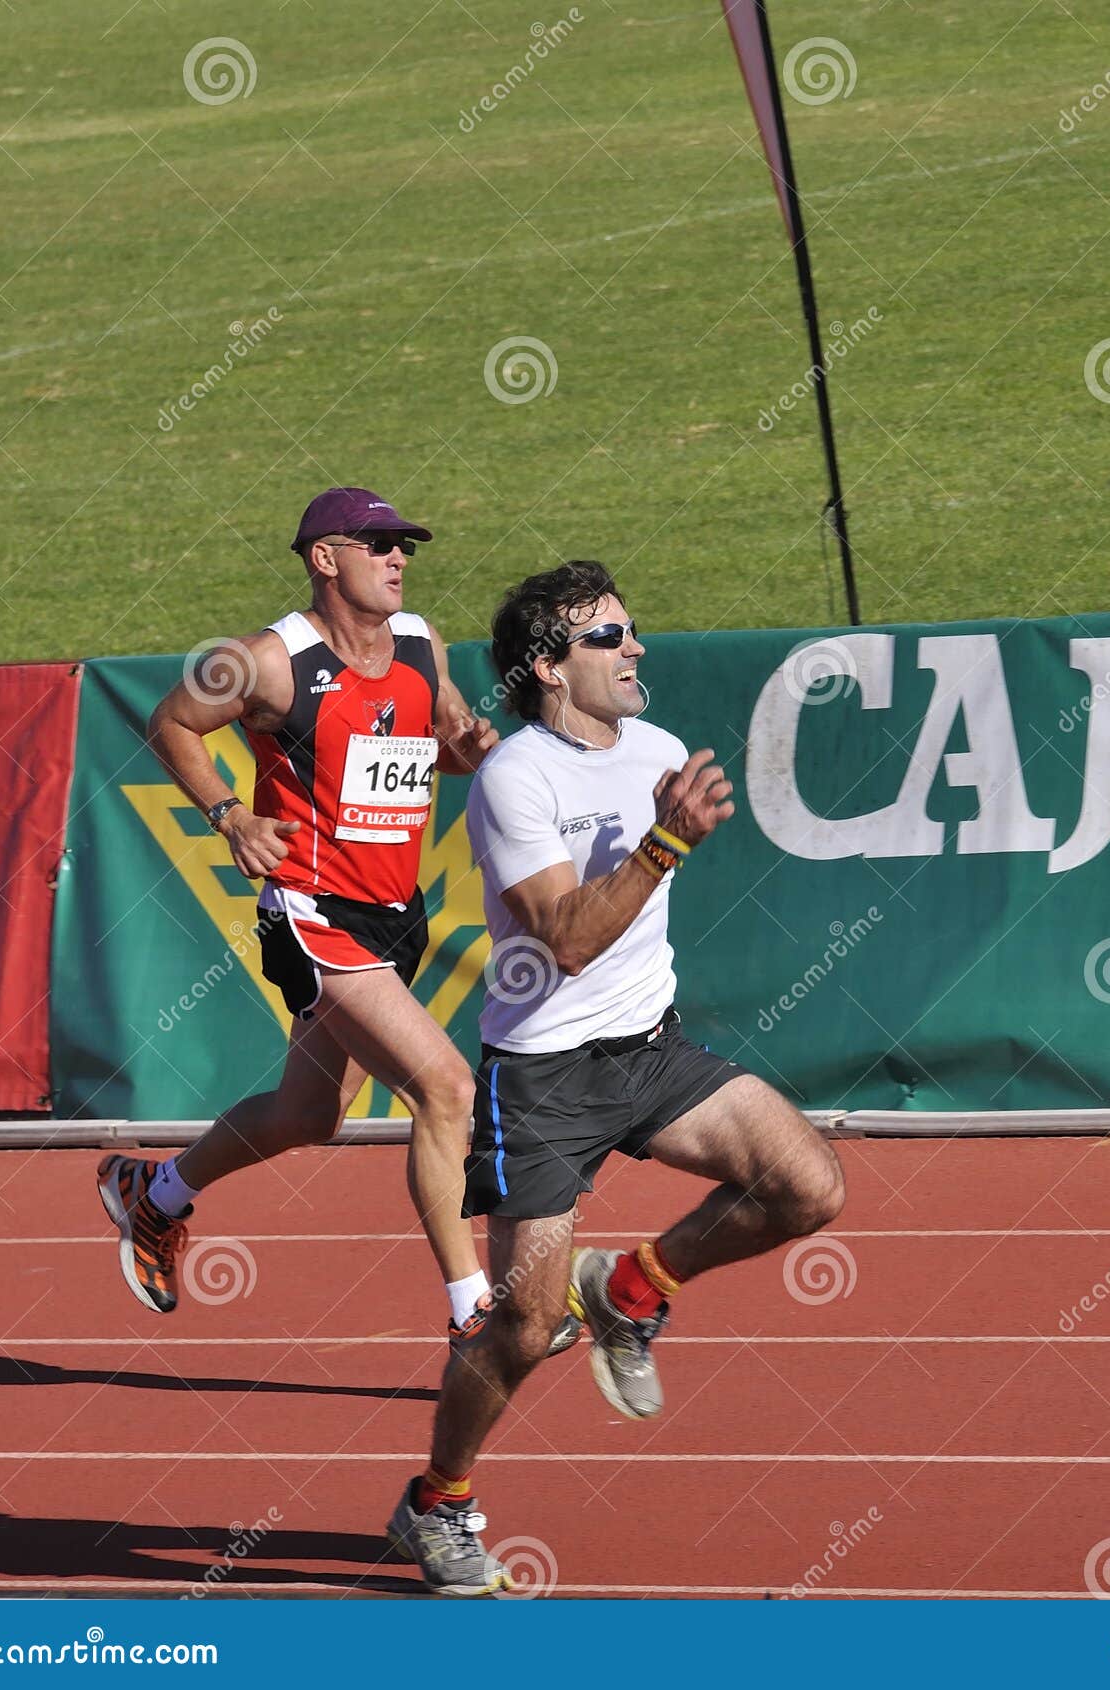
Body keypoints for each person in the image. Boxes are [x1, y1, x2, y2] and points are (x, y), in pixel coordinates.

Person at [385, 560, 846, 1595]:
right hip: (542, 1079)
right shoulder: (516, 777)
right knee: (521, 1323)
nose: (635, 649)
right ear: (548, 668)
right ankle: (436, 1504)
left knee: (808, 1185)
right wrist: (665, 838)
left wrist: (661, 831)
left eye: (632, 631)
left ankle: (633, 1288)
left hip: (648, 1051)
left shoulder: (658, 749)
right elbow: (566, 940)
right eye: (609, 637)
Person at [95, 487, 579, 1355]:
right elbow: (172, 723)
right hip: (311, 913)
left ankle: (155, 1194)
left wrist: (463, 749)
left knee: (309, 1113)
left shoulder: (423, 645)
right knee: (445, 1089)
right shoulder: (267, 661)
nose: (399, 558)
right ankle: (474, 1303)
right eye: (380, 543)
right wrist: (230, 817)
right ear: (326, 559)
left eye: (405, 546)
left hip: (396, 915)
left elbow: (445, 740)